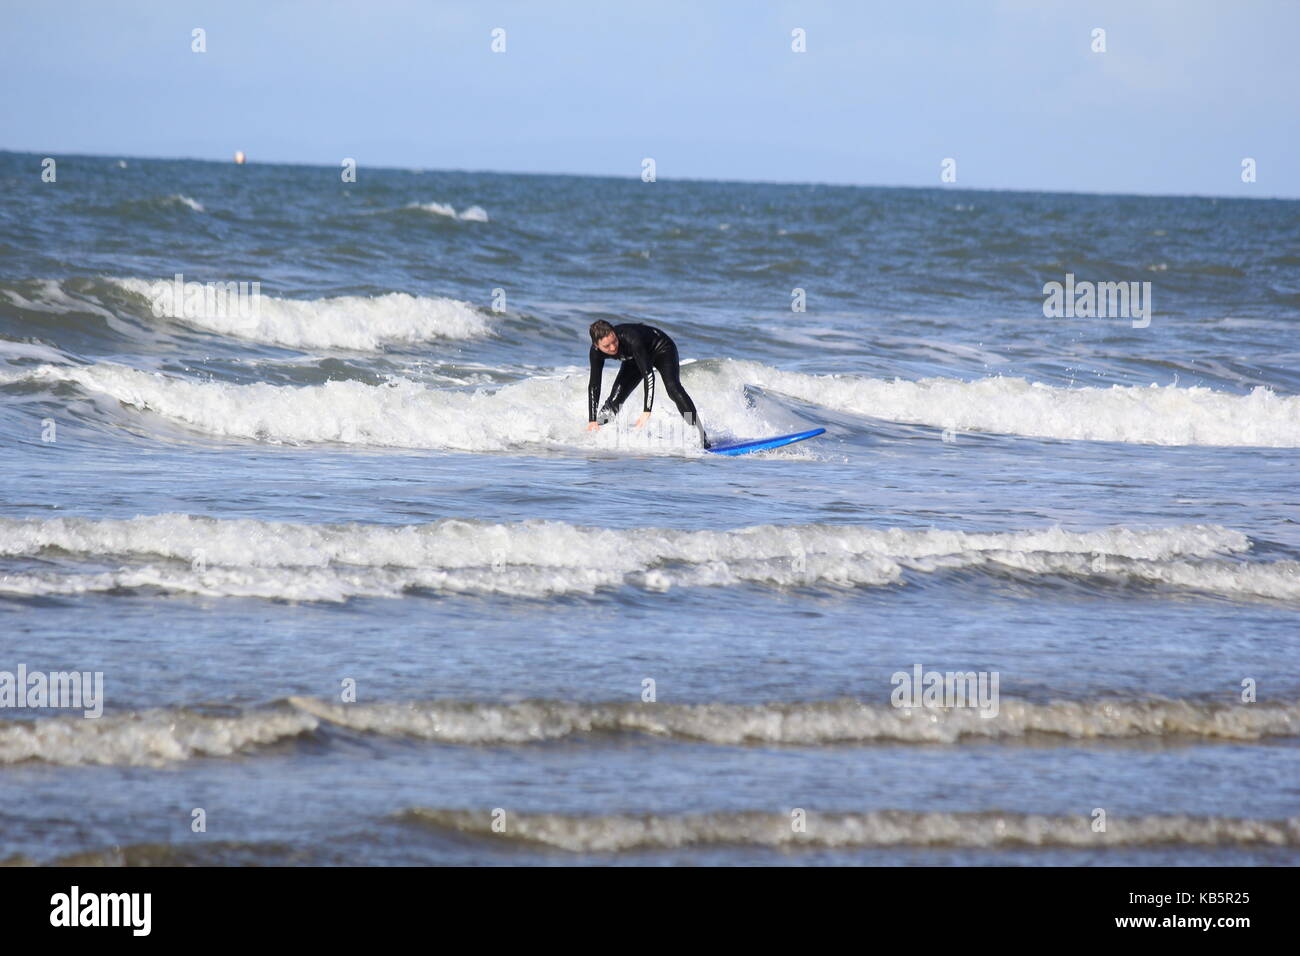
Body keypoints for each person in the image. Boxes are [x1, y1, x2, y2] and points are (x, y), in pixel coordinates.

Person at [585, 320, 710, 448]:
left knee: (674, 389)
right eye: (607, 346)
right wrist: (592, 419)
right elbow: (594, 384)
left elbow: (649, 375)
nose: (613, 347)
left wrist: (646, 410)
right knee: (615, 399)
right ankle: (597, 436)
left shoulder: (631, 339)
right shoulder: (595, 353)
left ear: (615, 334)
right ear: (596, 344)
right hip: (635, 358)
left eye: (614, 341)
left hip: (662, 349)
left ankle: (701, 435)